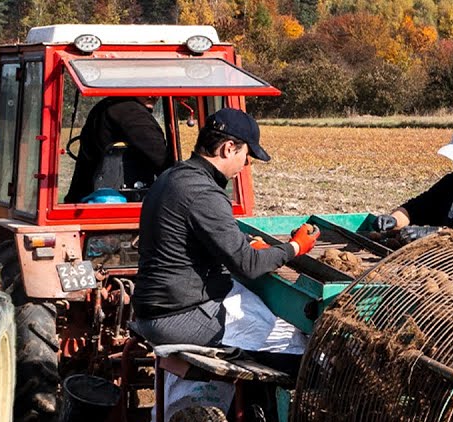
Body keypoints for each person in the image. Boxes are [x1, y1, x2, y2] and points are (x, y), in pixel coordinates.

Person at [132, 107, 318, 348]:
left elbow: (206, 233)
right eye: (247, 155)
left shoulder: (173, 177)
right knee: (292, 344)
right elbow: (248, 266)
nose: (247, 163)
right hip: (178, 316)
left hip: (155, 307)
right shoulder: (203, 191)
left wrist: (247, 242)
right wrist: (295, 247)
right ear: (229, 148)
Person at [64, 95, 171, 203]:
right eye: (148, 87)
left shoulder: (111, 105)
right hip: (107, 204)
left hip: (85, 199)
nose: (154, 95)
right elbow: (162, 160)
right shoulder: (131, 112)